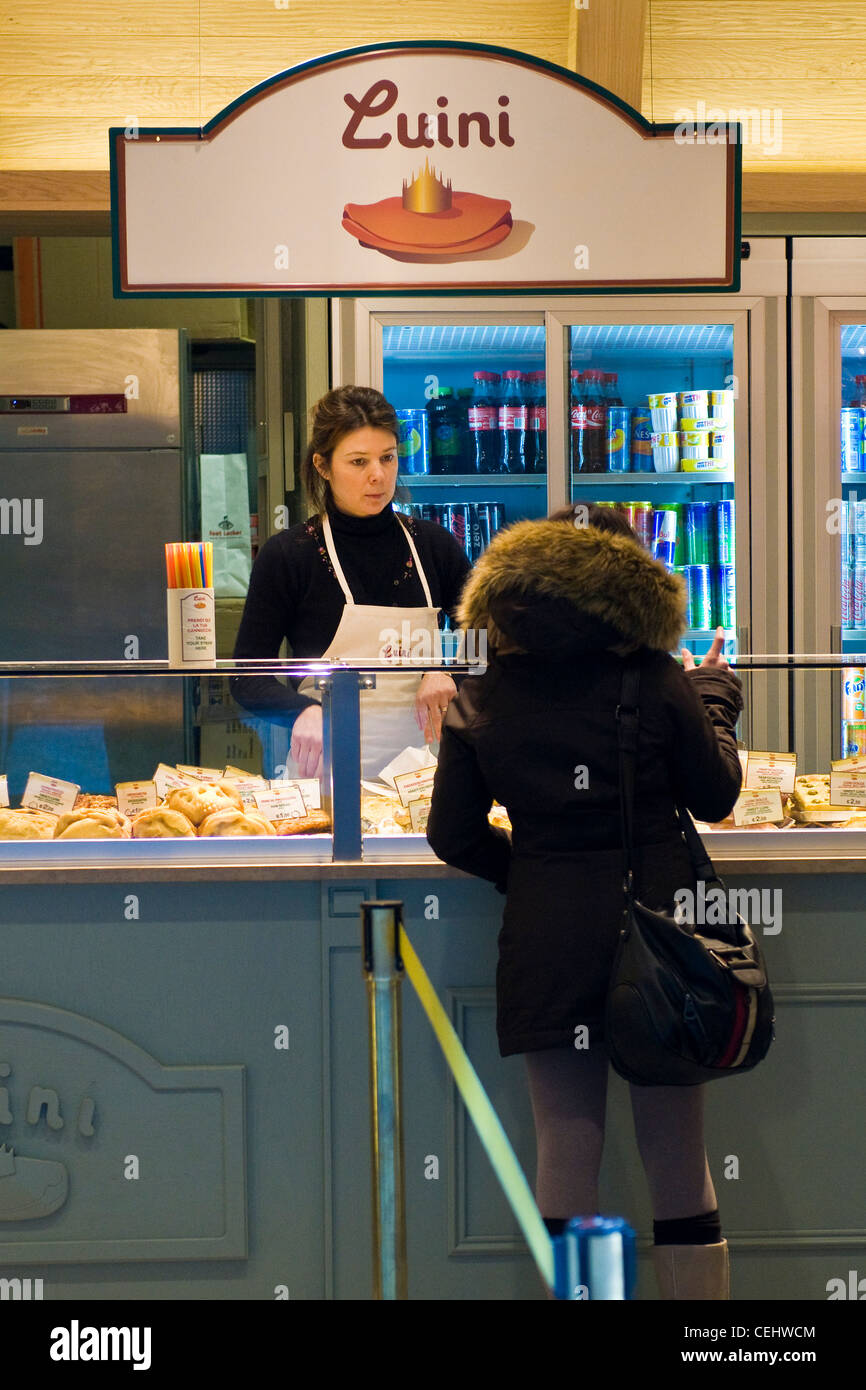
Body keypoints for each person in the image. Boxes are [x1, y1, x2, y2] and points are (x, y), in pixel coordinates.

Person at [426, 502, 744, 1300]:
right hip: (666, 932)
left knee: (565, 1149)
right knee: (678, 1158)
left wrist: (529, 869)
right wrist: (716, 698)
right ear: (629, 587)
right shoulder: (654, 677)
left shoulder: (483, 693)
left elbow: (452, 834)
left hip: (548, 932)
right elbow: (717, 795)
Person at [231, 386, 471, 779]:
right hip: (325, 776)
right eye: (358, 461)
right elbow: (246, 675)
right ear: (323, 466)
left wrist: (450, 673)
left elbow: (488, 639)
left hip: (425, 780)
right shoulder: (289, 555)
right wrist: (301, 711)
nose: (377, 475)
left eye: (387, 458)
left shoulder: (433, 545)